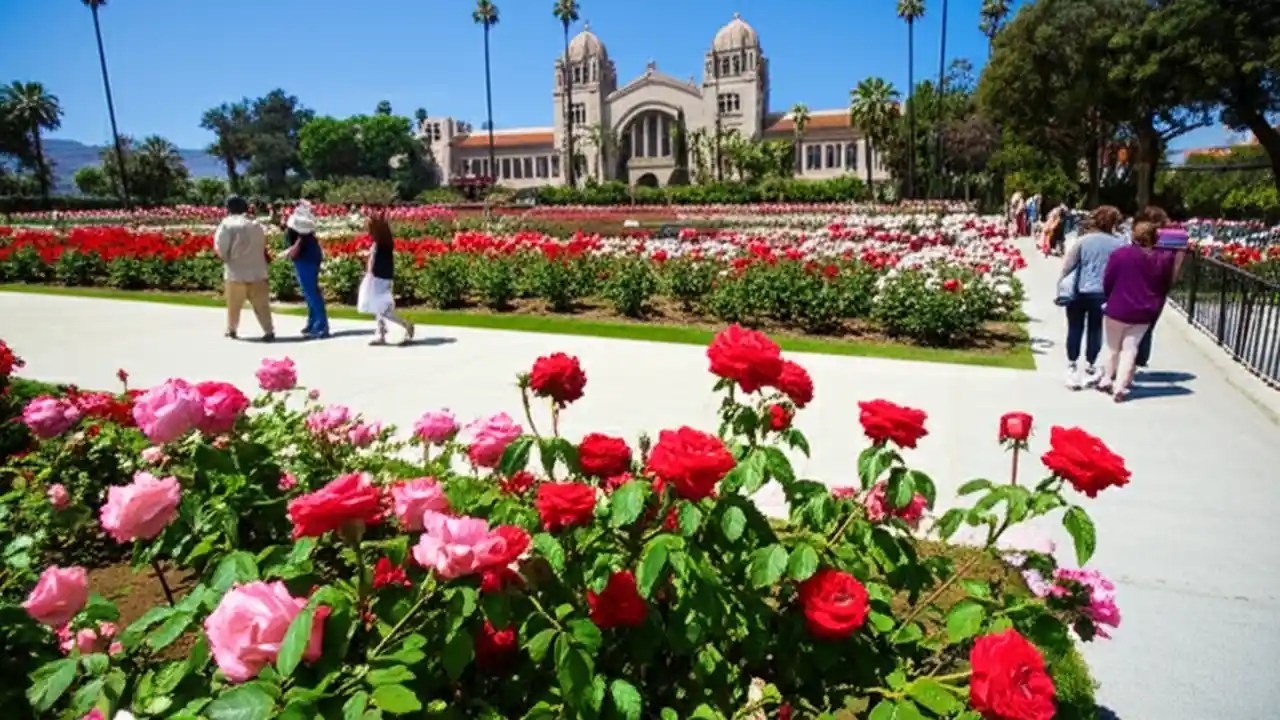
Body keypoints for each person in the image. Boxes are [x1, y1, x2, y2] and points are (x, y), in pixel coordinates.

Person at [1097, 221, 1187, 401]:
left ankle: (1107, 379)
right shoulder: (1161, 259)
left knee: (1113, 348)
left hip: (1118, 307)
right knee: (1130, 350)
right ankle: (1120, 388)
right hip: (1144, 311)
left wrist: (1109, 296)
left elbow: (1108, 279)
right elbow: (1166, 284)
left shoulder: (1120, 254)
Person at [1058, 206, 1125, 390]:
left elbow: (1068, 265)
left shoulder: (1083, 241)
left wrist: (1061, 284)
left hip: (1079, 290)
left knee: (1075, 327)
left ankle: (1072, 366)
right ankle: (1090, 365)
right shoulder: (1118, 245)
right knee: (1095, 329)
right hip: (1102, 292)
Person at [213, 196, 274, 341]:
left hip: (236, 271)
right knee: (262, 305)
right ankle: (268, 331)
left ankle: (232, 329)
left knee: (233, 305)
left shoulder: (227, 224)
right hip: (258, 270)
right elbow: (262, 246)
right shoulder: (256, 224)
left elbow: (221, 247)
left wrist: (225, 258)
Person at [357, 214, 415, 346]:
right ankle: (382, 333)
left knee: (383, 309)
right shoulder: (381, 243)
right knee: (377, 308)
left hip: (380, 279)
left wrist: (369, 268)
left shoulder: (382, 245)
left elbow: (377, 262)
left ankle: (405, 325)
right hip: (378, 278)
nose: (368, 230)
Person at [1130, 206, 1172, 367]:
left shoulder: (1139, 236)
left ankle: (1133, 357)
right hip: (1158, 287)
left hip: (1137, 284)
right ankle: (1139, 358)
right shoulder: (1169, 243)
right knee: (1148, 324)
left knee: (1134, 323)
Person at [284, 201, 330, 339]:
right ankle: (313, 322)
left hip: (306, 261)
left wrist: (287, 253)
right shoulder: (306, 235)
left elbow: (294, 250)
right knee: (309, 292)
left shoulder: (300, 236)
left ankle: (321, 325)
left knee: (311, 292)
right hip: (309, 259)